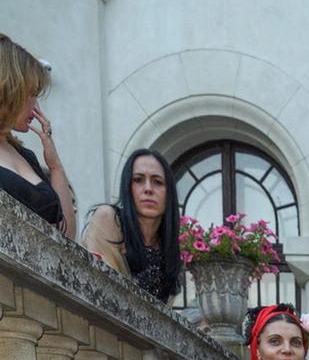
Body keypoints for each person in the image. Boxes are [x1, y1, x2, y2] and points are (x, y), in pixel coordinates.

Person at [81, 148, 181, 301]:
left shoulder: (167, 245)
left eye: (157, 182)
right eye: (138, 180)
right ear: (128, 187)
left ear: (169, 193)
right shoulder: (108, 218)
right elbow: (103, 292)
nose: (148, 189)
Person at [0, 34, 75, 236]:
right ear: (9, 89)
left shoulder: (26, 156)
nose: (36, 108)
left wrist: (55, 166)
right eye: (31, 94)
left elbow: (67, 238)